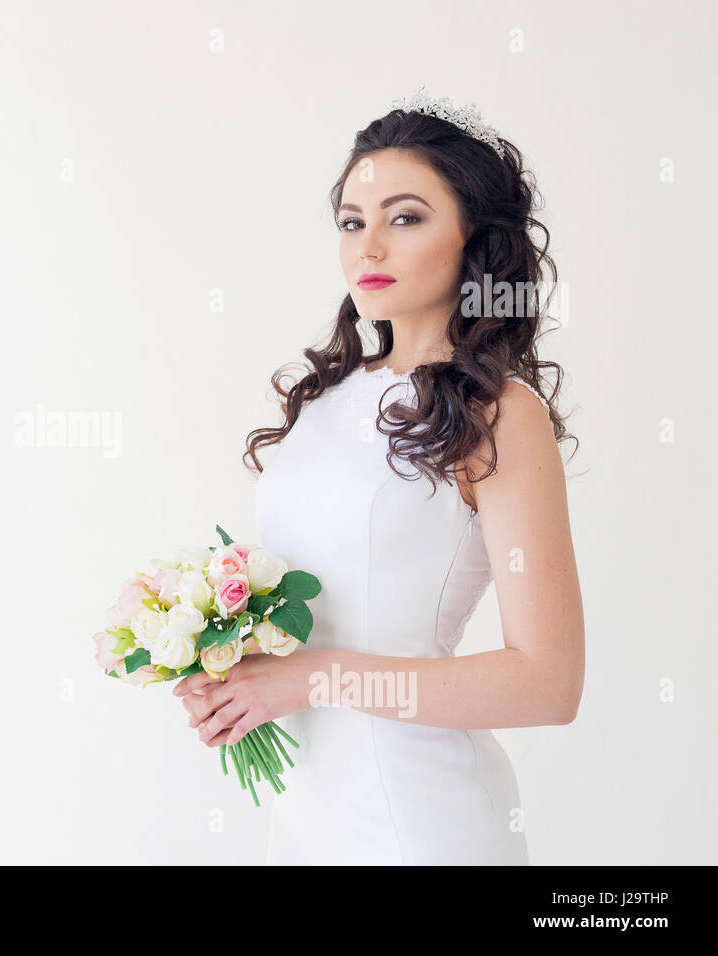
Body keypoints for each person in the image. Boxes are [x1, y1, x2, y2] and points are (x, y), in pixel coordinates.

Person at [175, 91, 585, 865]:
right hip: (306, 817)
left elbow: (548, 683)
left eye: (405, 218)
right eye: (352, 222)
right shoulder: (324, 400)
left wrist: (311, 678)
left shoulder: (497, 412)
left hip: (421, 825)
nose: (368, 249)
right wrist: (236, 670)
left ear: (474, 241)